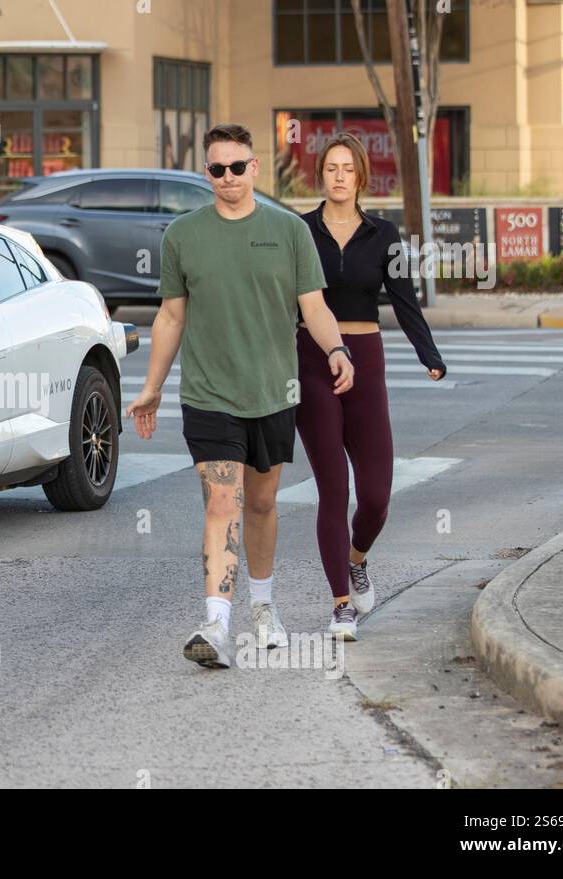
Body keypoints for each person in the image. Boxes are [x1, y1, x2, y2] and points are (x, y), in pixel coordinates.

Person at [126, 123, 355, 669]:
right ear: (207, 174)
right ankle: (216, 623)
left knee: (262, 502)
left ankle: (264, 608)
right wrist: (151, 389)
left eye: (236, 166)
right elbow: (171, 315)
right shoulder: (183, 235)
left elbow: (314, 306)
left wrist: (337, 350)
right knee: (221, 502)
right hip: (209, 394)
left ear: (255, 168)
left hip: (274, 392)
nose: (226, 177)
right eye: (216, 169)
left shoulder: (289, 231)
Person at [296, 132, 448, 640]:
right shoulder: (300, 232)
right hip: (312, 361)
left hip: (367, 359)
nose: (339, 176)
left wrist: (429, 354)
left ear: (361, 176)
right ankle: (341, 603)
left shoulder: (384, 235)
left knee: (378, 495)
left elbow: (404, 300)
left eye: (347, 169)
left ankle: (356, 559)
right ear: (321, 175)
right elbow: (280, 303)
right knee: (333, 489)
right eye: (331, 168)